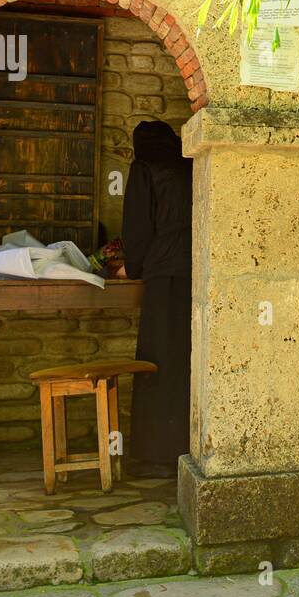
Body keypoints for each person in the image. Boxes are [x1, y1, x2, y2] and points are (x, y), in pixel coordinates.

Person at [121, 120, 192, 478]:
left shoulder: (144, 168)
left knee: (157, 361)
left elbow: (138, 227)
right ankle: (188, 444)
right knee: (186, 360)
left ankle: (155, 451)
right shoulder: (191, 164)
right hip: (197, 274)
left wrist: (131, 267)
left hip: (163, 275)